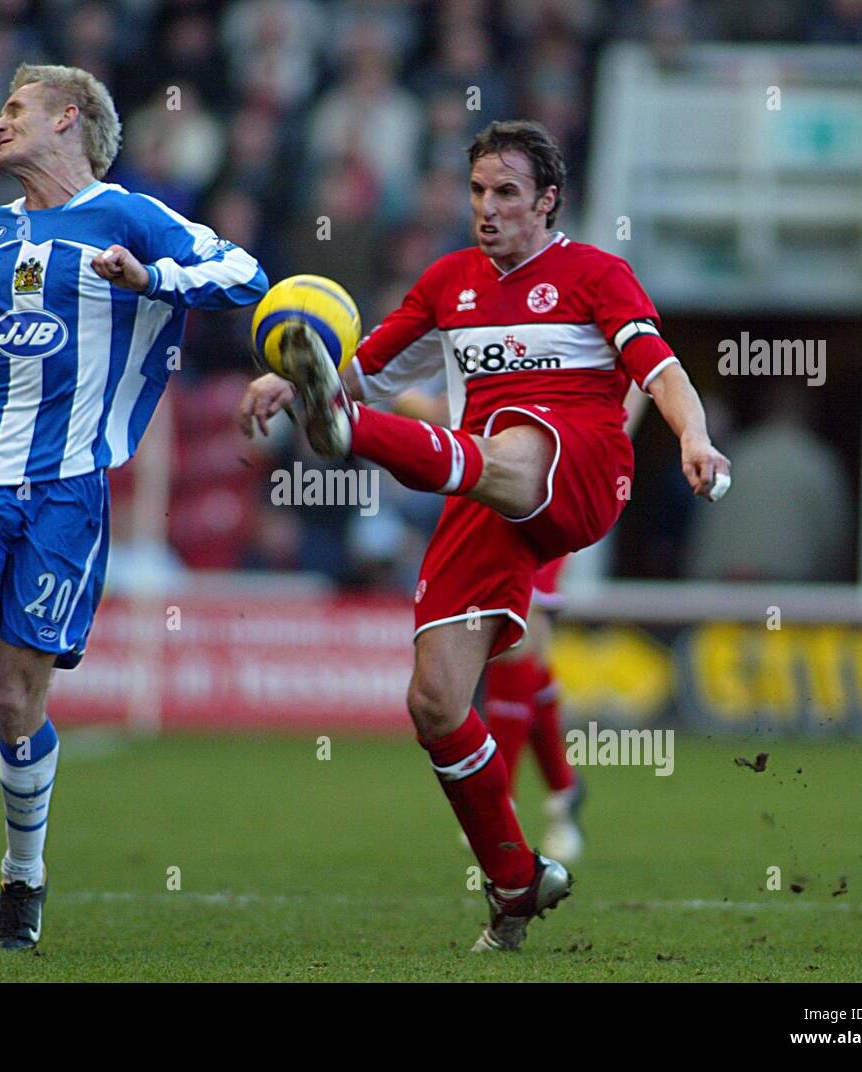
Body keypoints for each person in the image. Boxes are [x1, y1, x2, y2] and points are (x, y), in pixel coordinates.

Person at [240, 119, 730, 951]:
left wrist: (692, 433)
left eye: (507, 193)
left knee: (501, 439)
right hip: (483, 483)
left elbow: (660, 368)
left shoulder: (595, 275)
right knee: (434, 700)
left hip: (576, 465)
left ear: (547, 200)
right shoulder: (447, 284)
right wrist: (289, 382)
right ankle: (513, 879)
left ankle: (347, 437)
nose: (488, 209)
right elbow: (365, 367)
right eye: (477, 192)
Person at [0, 63, 266, 951]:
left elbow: (246, 274)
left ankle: (24, 881)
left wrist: (152, 279)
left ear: (67, 120)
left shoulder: (129, 217)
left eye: (15, 109)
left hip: (66, 494)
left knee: (17, 703)